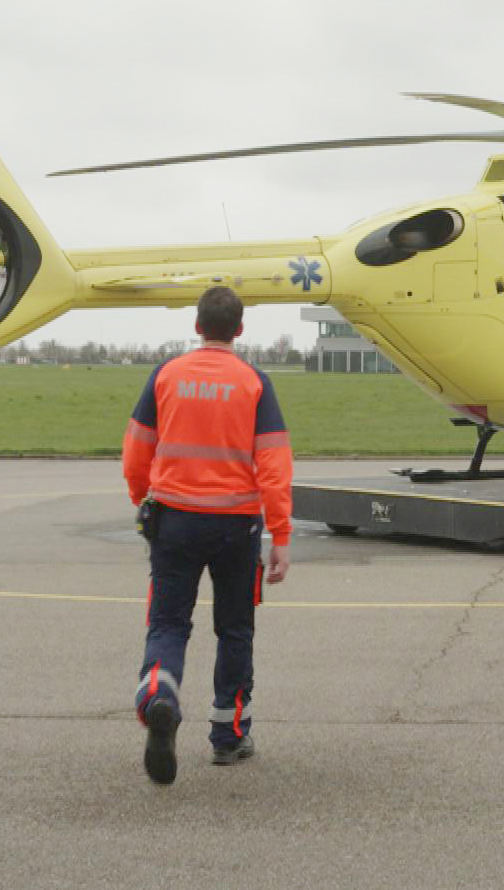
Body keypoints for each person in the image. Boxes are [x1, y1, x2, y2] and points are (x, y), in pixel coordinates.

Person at [121, 286, 293, 785]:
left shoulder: (166, 376)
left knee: (168, 623)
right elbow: (274, 465)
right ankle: (229, 734)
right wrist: (280, 534)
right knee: (234, 628)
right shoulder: (254, 383)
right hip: (237, 527)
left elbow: (136, 451)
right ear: (239, 329)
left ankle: (160, 696)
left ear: (197, 326)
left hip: (174, 521)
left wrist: (142, 497)